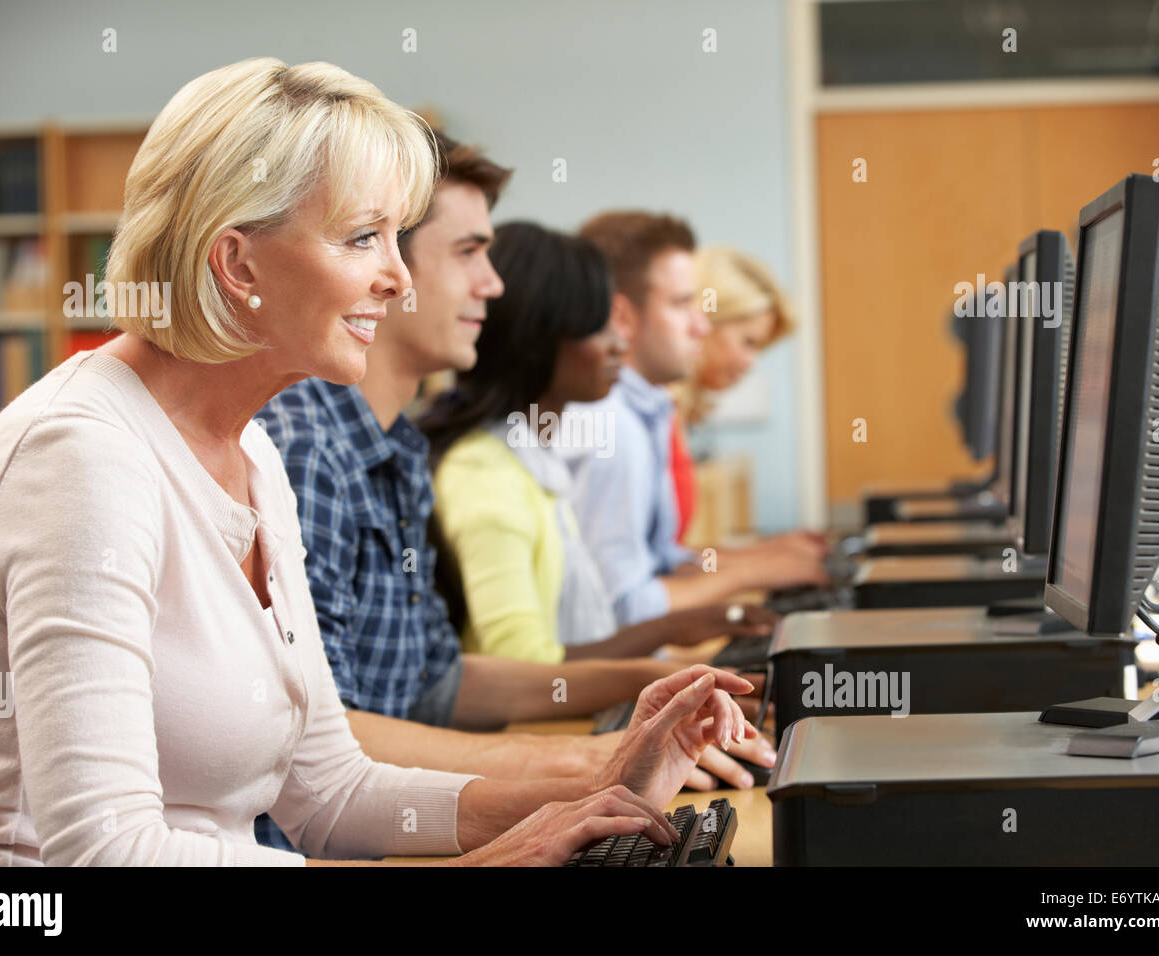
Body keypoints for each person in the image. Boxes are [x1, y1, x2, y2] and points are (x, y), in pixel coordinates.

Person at [0, 59, 756, 867]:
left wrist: (598, 787)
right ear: (237, 262)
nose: (395, 278)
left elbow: (327, 789)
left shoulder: (252, 449)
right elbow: (105, 853)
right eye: (362, 238)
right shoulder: (81, 459)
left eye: (397, 239)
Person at [259, 136, 774, 798]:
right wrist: (588, 763)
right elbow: (320, 738)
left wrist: (659, 688)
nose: (492, 284)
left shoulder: (399, 453)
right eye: (470, 252)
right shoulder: (305, 450)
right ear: (383, 267)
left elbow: (437, 683)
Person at [421, 221, 774, 673]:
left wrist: (675, 629)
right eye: (598, 328)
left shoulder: (536, 458)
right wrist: (665, 655)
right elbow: (525, 666)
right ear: (540, 340)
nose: (618, 344)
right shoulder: (487, 471)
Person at [567, 211, 830, 627]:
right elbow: (624, 607)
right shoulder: (614, 425)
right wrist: (751, 570)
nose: (699, 324)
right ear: (623, 316)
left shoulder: (647, 412)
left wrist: (762, 558)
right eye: (682, 303)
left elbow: (663, 560)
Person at [669, 244, 797, 539]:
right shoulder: (654, 410)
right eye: (748, 343)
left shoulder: (676, 412)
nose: (750, 364)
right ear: (706, 321)